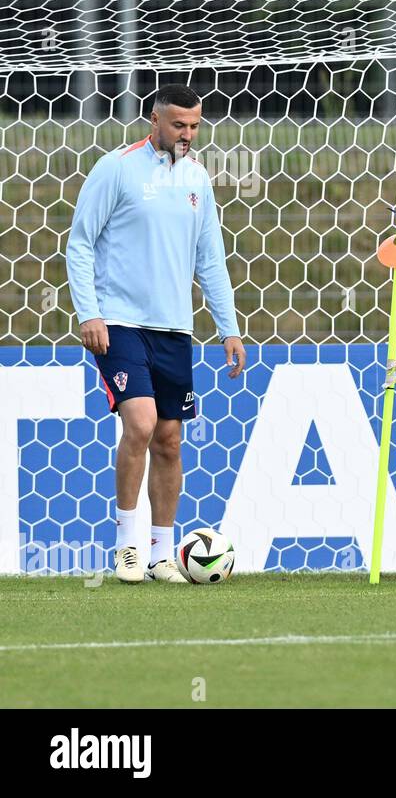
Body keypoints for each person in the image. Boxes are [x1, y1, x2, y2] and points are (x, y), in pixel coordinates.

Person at [66, 83, 246, 584]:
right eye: (178, 126)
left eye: (194, 127)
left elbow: (210, 259)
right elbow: (79, 244)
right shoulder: (116, 168)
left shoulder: (197, 180)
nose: (187, 135)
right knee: (141, 424)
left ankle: (162, 553)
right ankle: (126, 546)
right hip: (119, 322)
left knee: (169, 439)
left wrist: (228, 328)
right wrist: (90, 313)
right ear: (155, 119)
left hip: (175, 328)